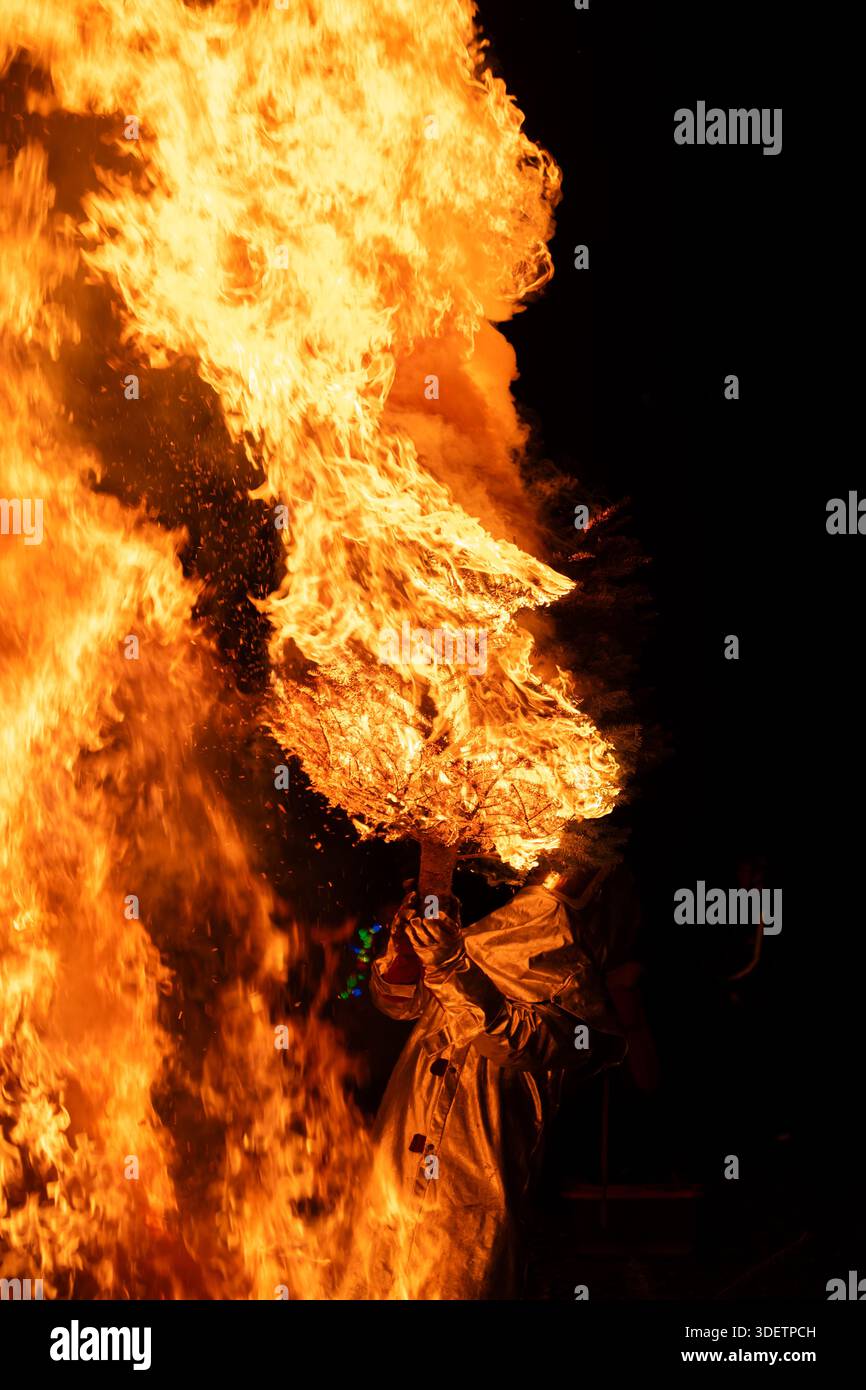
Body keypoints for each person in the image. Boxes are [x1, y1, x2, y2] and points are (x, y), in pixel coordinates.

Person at [348, 864, 631, 1299]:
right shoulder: (479, 939)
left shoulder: (574, 985)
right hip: (397, 1157)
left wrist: (453, 969)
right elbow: (397, 1003)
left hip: (472, 1183)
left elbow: (516, 1043)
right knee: (371, 1280)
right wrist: (408, 948)